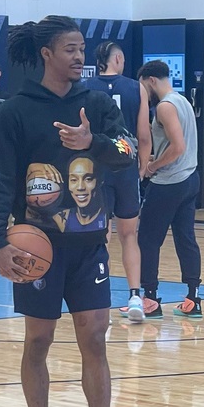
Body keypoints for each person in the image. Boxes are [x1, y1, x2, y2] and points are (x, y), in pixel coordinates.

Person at [0, 15, 137, 407]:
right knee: (38, 342)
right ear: (47, 54)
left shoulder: (97, 104)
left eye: (82, 48)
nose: (79, 56)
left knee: (94, 338)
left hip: (90, 246)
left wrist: (96, 142)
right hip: (38, 248)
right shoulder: (15, 112)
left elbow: (130, 152)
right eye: (69, 48)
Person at [84, 41, 152, 321]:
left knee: (100, 236)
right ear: (119, 59)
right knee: (129, 235)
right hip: (125, 169)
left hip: (95, 169)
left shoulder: (85, 88)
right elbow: (144, 136)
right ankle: (135, 297)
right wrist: (141, 168)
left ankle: (98, 300)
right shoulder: (137, 88)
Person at [132, 59, 202, 319]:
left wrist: (152, 167)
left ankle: (150, 300)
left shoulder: (164, 107)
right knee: (186, 239)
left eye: (142, 87)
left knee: (147, 240)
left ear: (151, 81)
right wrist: (156, 159)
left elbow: (178, 147)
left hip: (169, 182)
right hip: (190, 179)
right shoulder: (182, 100)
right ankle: (193, 298)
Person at [53, 154, 106, 232]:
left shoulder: (105, 217)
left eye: (88, 179)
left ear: (100, 181)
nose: (80, 187)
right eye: (74, 180)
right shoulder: (61, 219)